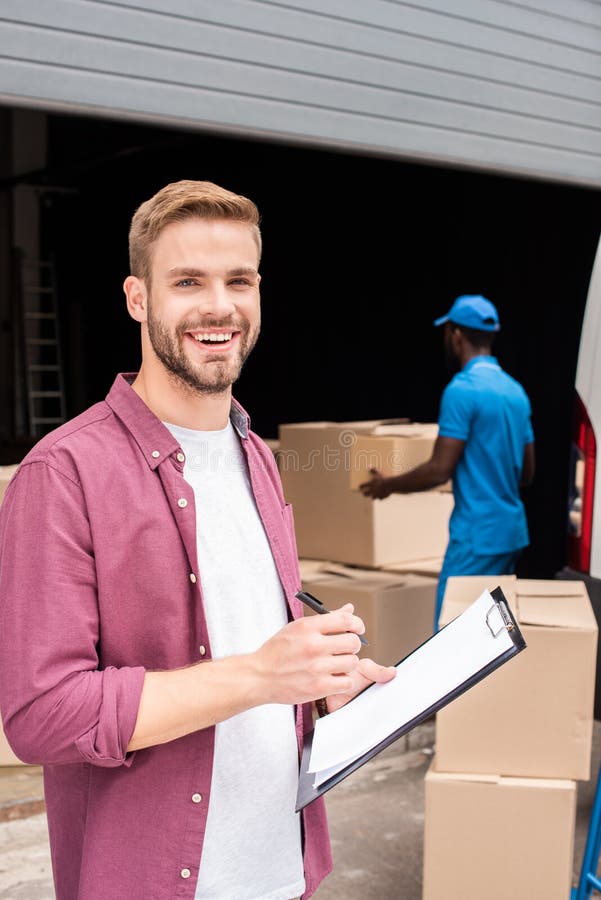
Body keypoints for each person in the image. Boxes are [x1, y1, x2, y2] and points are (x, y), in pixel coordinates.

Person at [0, 180, 396, 900]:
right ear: (137, 298)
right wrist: (259, 676)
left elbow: (257, 635)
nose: (219, 306)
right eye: (187, 281)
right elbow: (41, 716)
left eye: (237, 281)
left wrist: (321, 683)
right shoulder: (63, 473)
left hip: (281, 869)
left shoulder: (256, 452)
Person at [360, 294, 535, 629]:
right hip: (511, 534)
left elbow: (439, 469)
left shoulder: (462, 389)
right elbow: (527, 473)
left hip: (476, 535)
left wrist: (388, 485)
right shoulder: (516, 391)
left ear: (455, 334)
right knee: (491, 634)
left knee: (450, 633)